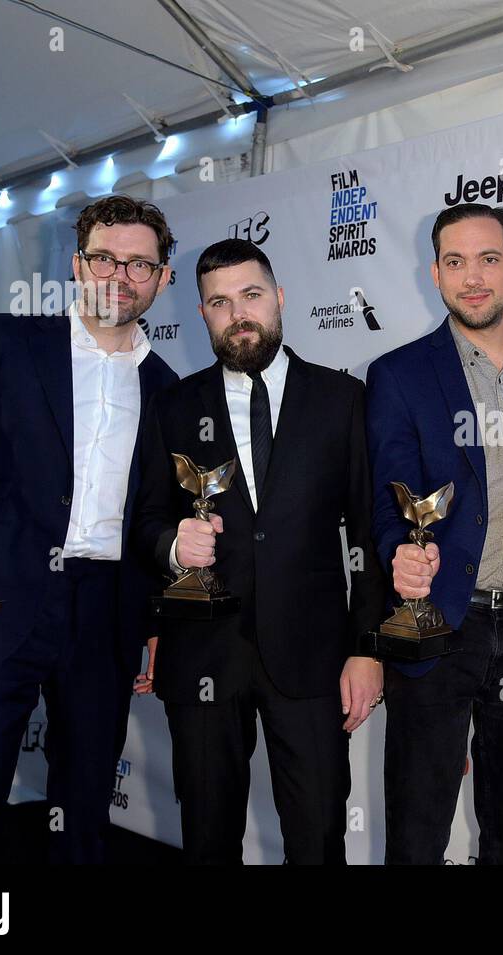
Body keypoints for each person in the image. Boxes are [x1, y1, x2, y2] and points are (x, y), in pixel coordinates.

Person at [0, 195, 179, 862]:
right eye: (105, 257)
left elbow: (159, 519)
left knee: (83, 816)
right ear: (78, 265)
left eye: (140, 263)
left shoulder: (171, 389)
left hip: (106, 613)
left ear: (163, 277)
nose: (120, 275)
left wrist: (157, 621)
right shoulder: (2, 341)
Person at [133, 238, 386, 864]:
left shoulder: (341, 399)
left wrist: (366, 647)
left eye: (251, 295)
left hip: (313, 656)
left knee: (319, 835)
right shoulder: (172, 406)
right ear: (202, 314)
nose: (238, 313)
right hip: (202, 651)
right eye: (219, 302)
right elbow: (143, 520)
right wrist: (172, 545)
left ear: (279, 298)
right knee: (208, 838)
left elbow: (371, 533)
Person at [365, 203, 503, 864]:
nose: (472, 276)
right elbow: (391, 495)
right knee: (418, 828)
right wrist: (403, 555)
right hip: (442, 622)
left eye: (488, 259)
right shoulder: (398, 374)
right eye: (455, 261)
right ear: (435, 273)